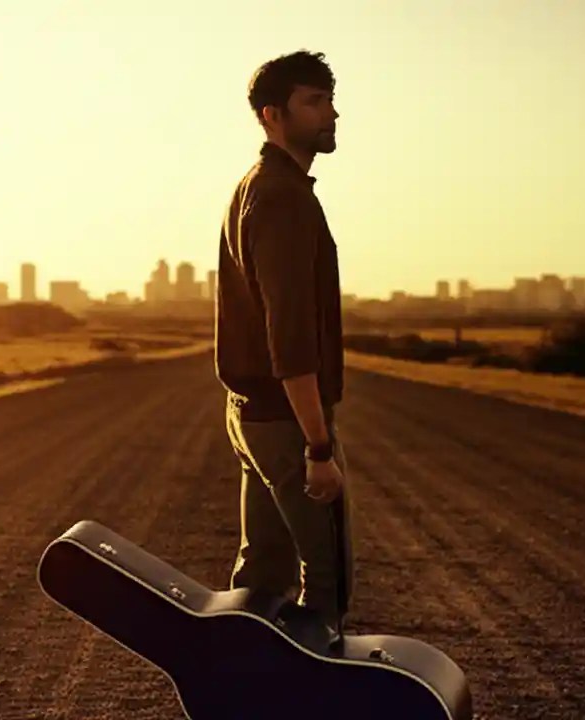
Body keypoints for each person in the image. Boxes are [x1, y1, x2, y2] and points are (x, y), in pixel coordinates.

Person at [213, 49, 352, 639]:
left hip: (253, 414)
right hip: (286, 422)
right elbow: (289, 333)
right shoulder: (283, 197)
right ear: (274, 115)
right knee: (326, 582)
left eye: (331, 99)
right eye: (314, 102)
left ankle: (234, 681)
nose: (333, 114)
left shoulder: (257, 186)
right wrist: (318, 446)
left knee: (261, 575)